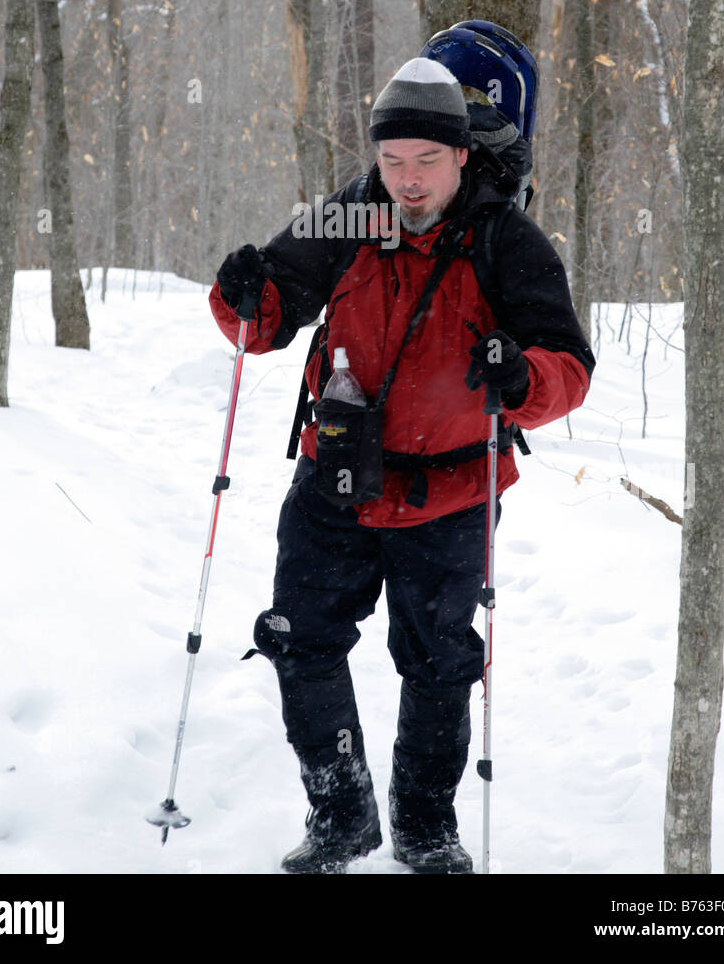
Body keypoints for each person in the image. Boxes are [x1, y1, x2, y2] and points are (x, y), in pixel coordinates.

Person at [210, 57, 595, 873]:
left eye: (426, 160)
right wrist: (239, 292)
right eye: (392, 162)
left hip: (451, 492)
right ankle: (340, 812)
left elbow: (568, 368)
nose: (407, 180)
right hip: (336, 478)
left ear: (461, 157)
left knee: (438, 662)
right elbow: (263, 320)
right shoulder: (345, 219)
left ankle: (424, 828)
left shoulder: (505, 238)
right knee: (302, 639)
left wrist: (522, 378)